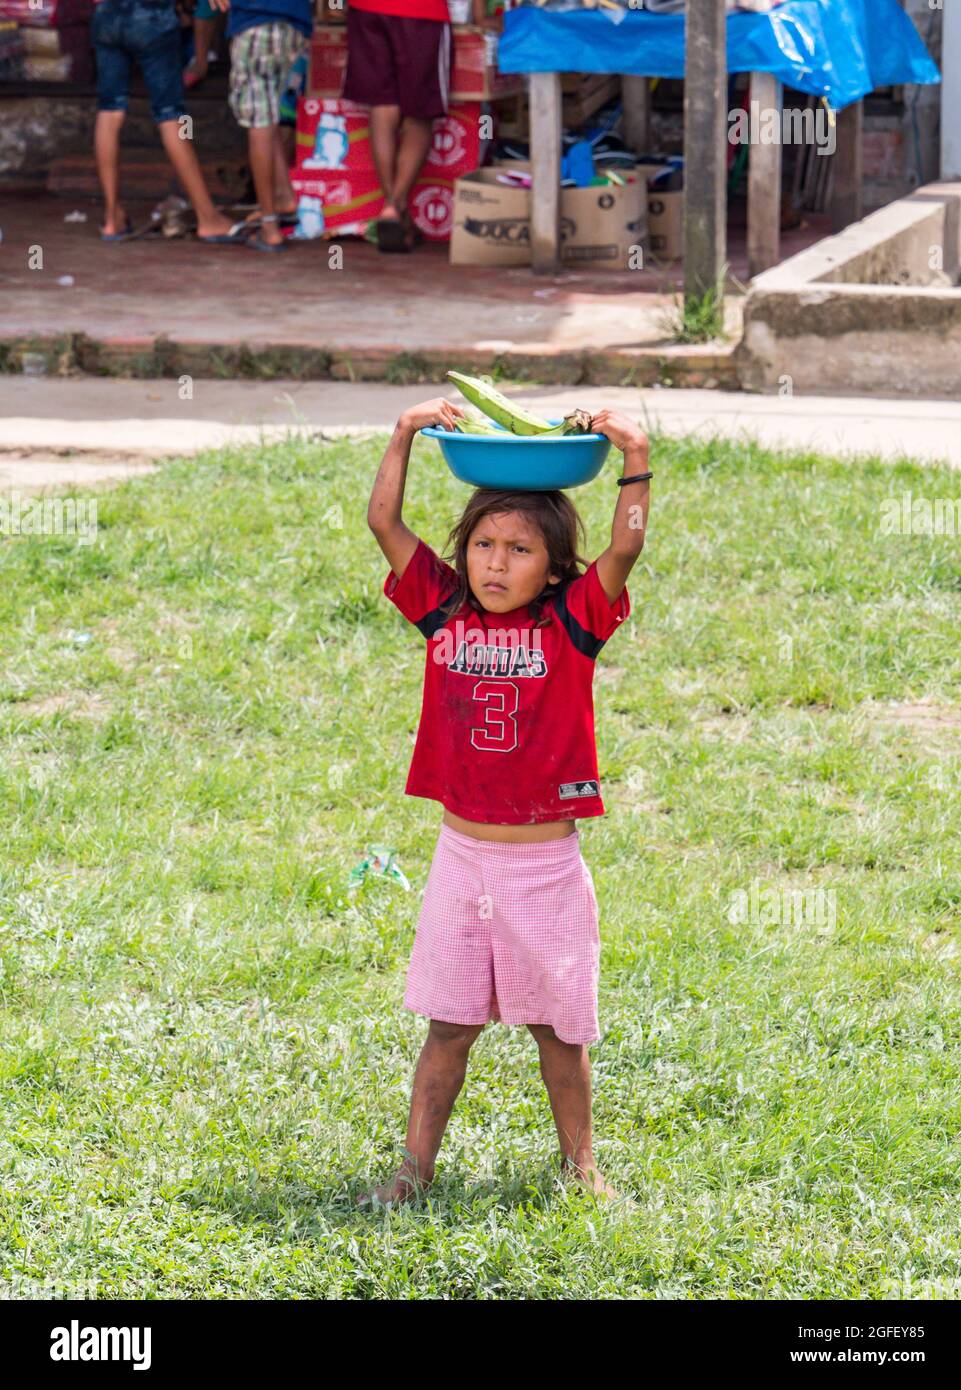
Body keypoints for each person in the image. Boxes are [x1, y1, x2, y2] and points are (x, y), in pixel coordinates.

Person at [363, 398, 653, 1205]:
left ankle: (582, 1169)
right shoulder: (441, 605)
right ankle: (412, 1172)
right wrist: (403, 433)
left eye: (519, 550)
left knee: (560, 1035)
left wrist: (634, 454)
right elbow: (381, 519)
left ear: (554, 570)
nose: (495, 563)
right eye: (483, 545)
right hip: (461, 860)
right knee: (447, 1027)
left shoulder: (575, 621)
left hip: (544, 870)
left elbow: (626, 541)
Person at [91, 0, 241, 243]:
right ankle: (208, 217)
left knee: (109, 110)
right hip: (153, 16)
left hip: (107, 14)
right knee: (172, 115)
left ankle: (112, 218)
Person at [342, 0, 451, 252]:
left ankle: (393, 209)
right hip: (422, 10)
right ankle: (395, 203)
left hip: (367, 8)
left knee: (383, 104)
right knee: (420, 112)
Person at [211, 0, 312, 251]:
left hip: (256, 21)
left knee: (258, 122)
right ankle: (284, 197)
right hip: (293, 25)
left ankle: (269, 226)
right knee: (268, 112)